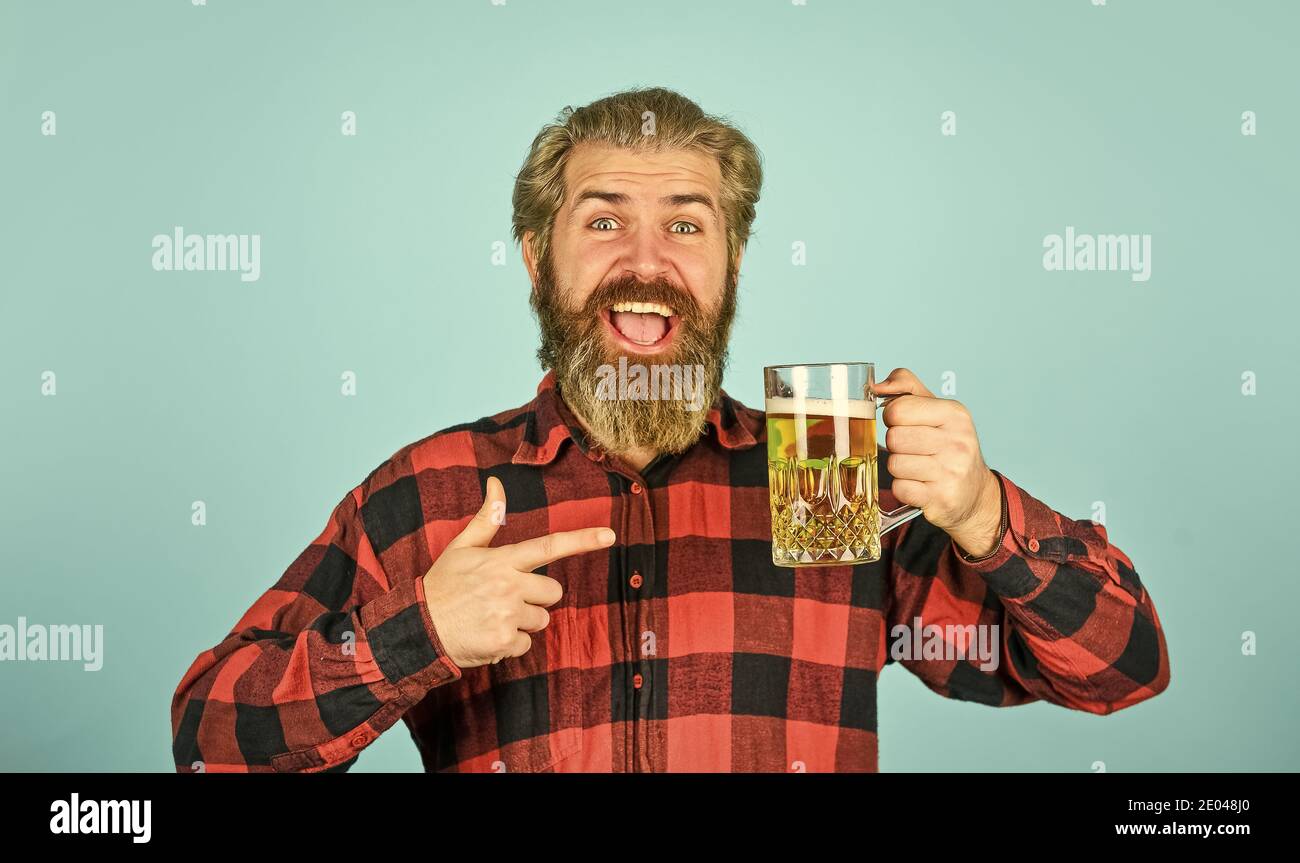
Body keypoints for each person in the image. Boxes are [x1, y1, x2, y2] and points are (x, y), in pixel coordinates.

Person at [170, 86, 1169, 773]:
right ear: (535, 257)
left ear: (731, 261)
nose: (646, 259)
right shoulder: (430, 494)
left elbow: (1121, 668)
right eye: (603, 220)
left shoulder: (825, 472)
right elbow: (211, 738)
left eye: (686, 224)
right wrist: (414, 633)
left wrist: (989, 514)